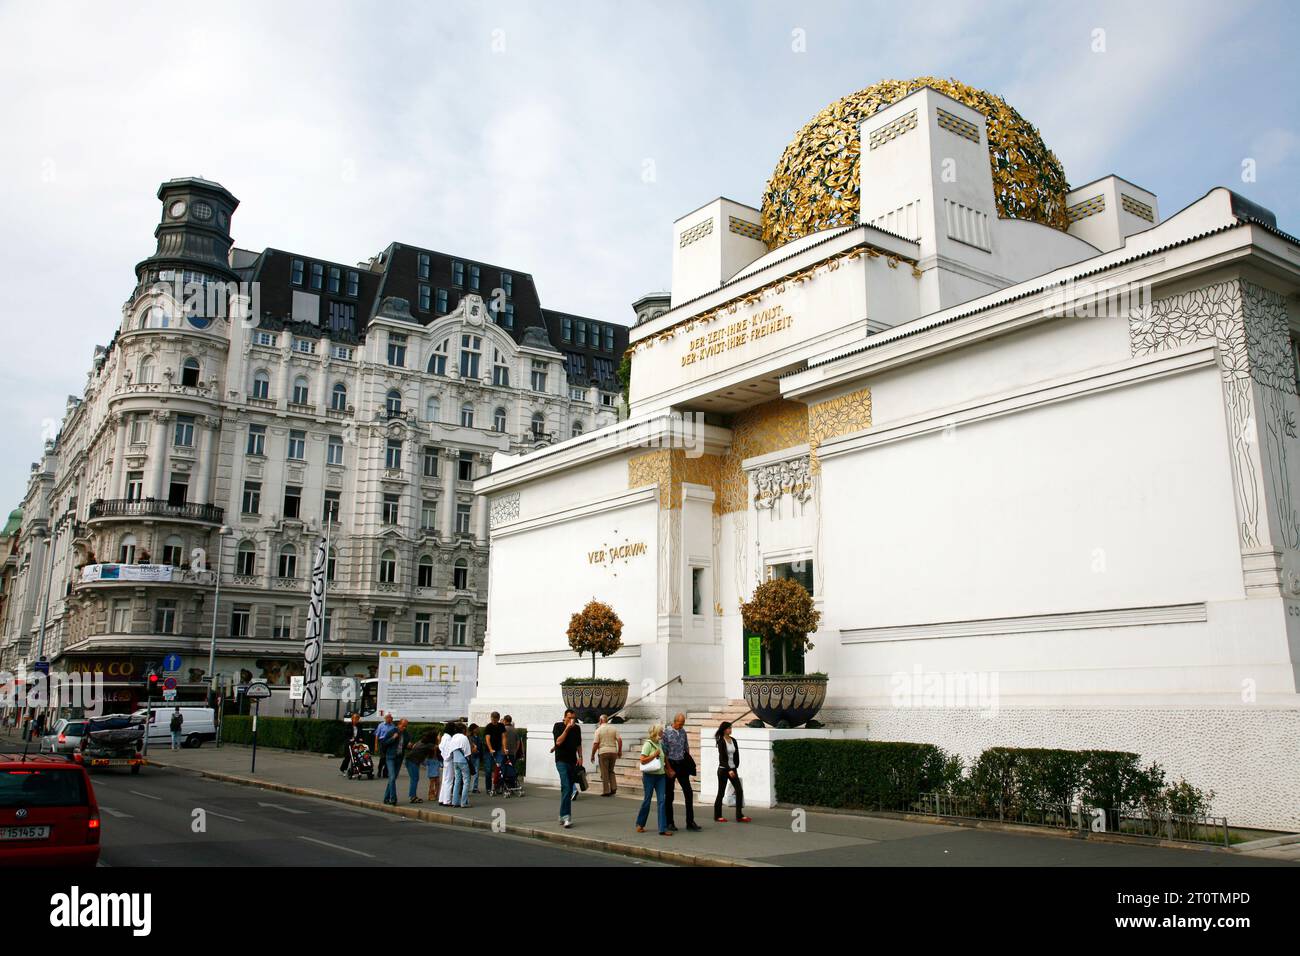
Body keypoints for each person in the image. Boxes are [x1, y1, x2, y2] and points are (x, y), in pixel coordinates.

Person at [662, 712, 701, 831]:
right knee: (669, 795)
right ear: (674, 721)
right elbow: (664, 752)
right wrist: (668, 768)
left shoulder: (683, 731)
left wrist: (689, 764)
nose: (681, 725)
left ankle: (690, 822)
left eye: (683, 723)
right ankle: (669, 822)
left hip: (682, 764)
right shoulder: (666, 733)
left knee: (688, 793)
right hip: (671, 764)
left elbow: (686, 747)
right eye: (680, 723)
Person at [713, 721, 752, 823]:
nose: (731, 730)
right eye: (729, 728)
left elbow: (736, 755)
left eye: (731, 728)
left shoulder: (733, 740)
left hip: (732, 769)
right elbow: (722, 758)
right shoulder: (721, 741)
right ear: (724, 730)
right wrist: (729, 769)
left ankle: (739, 815)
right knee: (721, 793)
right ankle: (718, 816)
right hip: (723, 769)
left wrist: (735, 767)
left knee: (739, 790)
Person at [635, 724, 670, 836]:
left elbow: (663, 759)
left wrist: (668, 770)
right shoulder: (648, 744)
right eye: (661, 732)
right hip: (649, 776)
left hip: (660, 776)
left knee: (662, 801)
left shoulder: (660, 744)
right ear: (655, 732)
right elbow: (642, 760)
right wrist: (654, 755)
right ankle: (640, 824)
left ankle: (662, 828)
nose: (662, 734)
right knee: (647, 800)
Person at [551, 708, 582, 828]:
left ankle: (561, 815)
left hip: (572, 761)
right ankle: (567, 817)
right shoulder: (558, 726)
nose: (572, 720)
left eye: (573, 718)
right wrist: (567, 728)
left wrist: (580, 756)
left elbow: (579, 743)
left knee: (566, 789)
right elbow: (558, 742)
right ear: (564, 717)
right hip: (561, 761)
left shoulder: (577, 728)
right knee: (568, 787)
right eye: (569, 718)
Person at [591, 714, 622, 797]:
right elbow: (619, 740)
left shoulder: (598, 730)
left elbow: (596, 743)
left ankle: (606, 791)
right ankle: (613, 787)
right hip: (613, 751)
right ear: (607, 720)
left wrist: (593, 754)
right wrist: (619, 751)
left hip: (603, 752)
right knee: (611, 770)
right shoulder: (614, 729)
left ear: (600, 721)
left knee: (604, 772)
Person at [381, 718, 409, 805]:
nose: (404, 728)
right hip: (390, 757)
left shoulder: (406, 734)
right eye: (403, 726)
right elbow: (384, 743)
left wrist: (409, 745)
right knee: (392, 777)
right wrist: (393, 738)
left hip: (399, 758)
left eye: (406, 726)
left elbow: (406, 744)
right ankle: (393, 799)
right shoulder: (392, 731)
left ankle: (386, 798)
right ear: (399, 724)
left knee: (392, 779)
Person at [405, 729, 437, 804]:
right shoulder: (429, 744)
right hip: (413, 761)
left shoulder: (421, 741)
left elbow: (414, 746)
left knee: (414, 779)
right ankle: (412, 797)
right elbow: (438, 747)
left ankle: (412, 796)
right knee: (414, 779)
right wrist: (439, 740)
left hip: (410, 760)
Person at [449, 722, 474, 807]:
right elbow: (468, 752)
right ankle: (464, 802)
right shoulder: (464, 738)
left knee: (457, 781)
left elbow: (450, 751)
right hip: (463, 761)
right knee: (466, 781)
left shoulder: (453, 737)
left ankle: (455, 802)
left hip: (455, 761)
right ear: (463, 730)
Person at [483, 711, 506, 792]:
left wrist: (504, 748)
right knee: (488, 769)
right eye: (492, 719)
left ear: (498, 719)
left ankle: (498, 786)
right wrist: (490, 749)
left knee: (500, 767)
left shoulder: (501, 726)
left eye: (495, 720)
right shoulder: (488, 727)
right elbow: (487, 739)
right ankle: (488, 788)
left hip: (498, 749)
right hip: (489, 751)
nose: (493, 721)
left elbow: (503, 737)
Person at [438, 722, 457, 806]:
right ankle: (447, 801)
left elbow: (440, 747)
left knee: (444, 780)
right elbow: (450, 750)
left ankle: (441, 799)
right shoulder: (449, 738)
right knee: (449, 780)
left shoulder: (444, 737)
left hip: (445, 760)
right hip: (449, 760)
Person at [374, 713, 396, 778]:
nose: (389, 719)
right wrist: (376, 745)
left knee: (388, 758)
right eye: (388, 718)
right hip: (382, 742)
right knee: (383, 758)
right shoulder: (381, 725)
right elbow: (377, 735)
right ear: (385, 718)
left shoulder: (393, 726)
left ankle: (385, 772)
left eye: (390, 718)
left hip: (390, 742)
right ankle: (379, 770)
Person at [467, 723, 483, 794]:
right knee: (469, 772)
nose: (478, 729)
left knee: (476, 772)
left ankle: (475, 787)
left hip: (477, 756)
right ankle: (467, 787)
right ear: (473, 730)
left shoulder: (478, 737)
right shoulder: (470, 737)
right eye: (476, 728)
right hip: (471, 756)